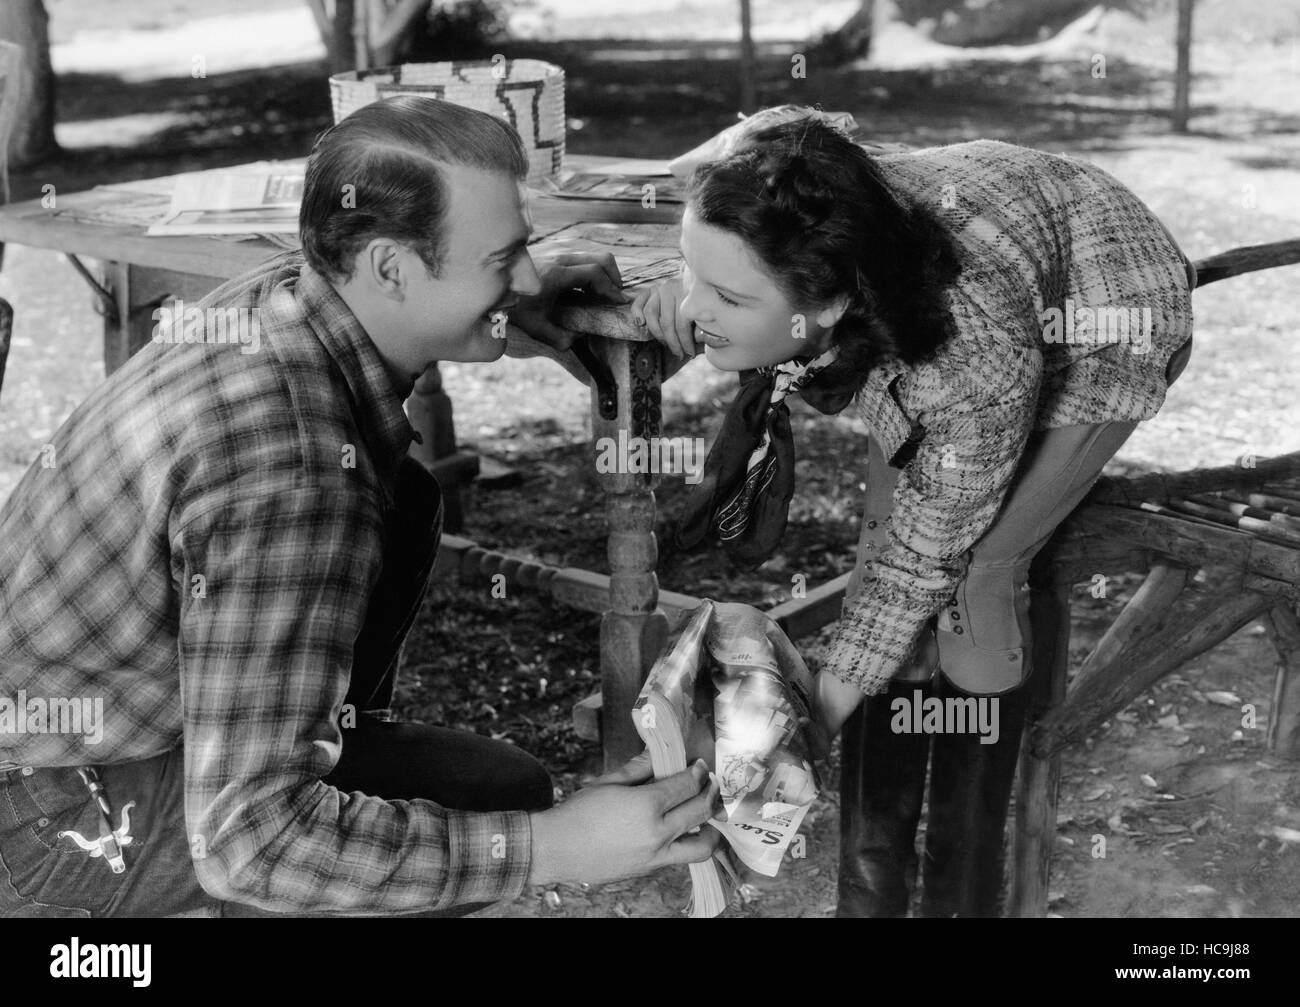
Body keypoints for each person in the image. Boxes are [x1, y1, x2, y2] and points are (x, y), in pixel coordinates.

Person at [0, 95, 721, 918]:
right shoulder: (294, 470)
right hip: (50, 826)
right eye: (503, 257)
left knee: (409, 507)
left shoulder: (285, 294)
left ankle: (314, 757)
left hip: (74, 741)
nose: (526, 276)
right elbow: (252, 842)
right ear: (390, 269)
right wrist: (557, 846)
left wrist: (491, 306)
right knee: (504, 815)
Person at [631, 107, 1195, 917]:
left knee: (973, 573)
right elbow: (792, 119)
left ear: (825, 305)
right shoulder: (788, 180)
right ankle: (869, 900)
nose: (693, 305)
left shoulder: (973, 367)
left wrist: (805, 725)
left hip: (1111, 306)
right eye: (691, 273)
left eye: (723, 292)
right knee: (884, 569)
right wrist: (695, 275)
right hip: (987, 248)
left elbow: (921, 561)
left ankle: (959, 900)